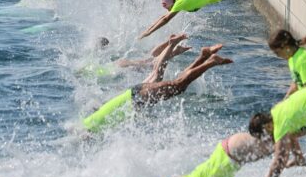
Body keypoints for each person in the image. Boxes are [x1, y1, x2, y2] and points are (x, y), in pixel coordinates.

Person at [82, 39, 232, 133]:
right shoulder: (95, 120)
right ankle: (203, 57)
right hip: (136, 97)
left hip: (137, 98)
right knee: (177, 84)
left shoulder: (92, 128)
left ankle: (211, 61)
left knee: (178, 85)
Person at [138, 0, 300, 38]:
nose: (165, 8)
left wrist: (148, 33)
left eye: (165, 4)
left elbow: (165, 20)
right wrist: (148, 29)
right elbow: (163, 18)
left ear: (171, 1)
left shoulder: (180, 1)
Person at [267, 29, 306, 96]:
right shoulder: (292, 59)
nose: (278, 56)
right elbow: (296, 83)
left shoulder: (302, 60)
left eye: (277, 52)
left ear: (286, 47)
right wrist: (285, 100)